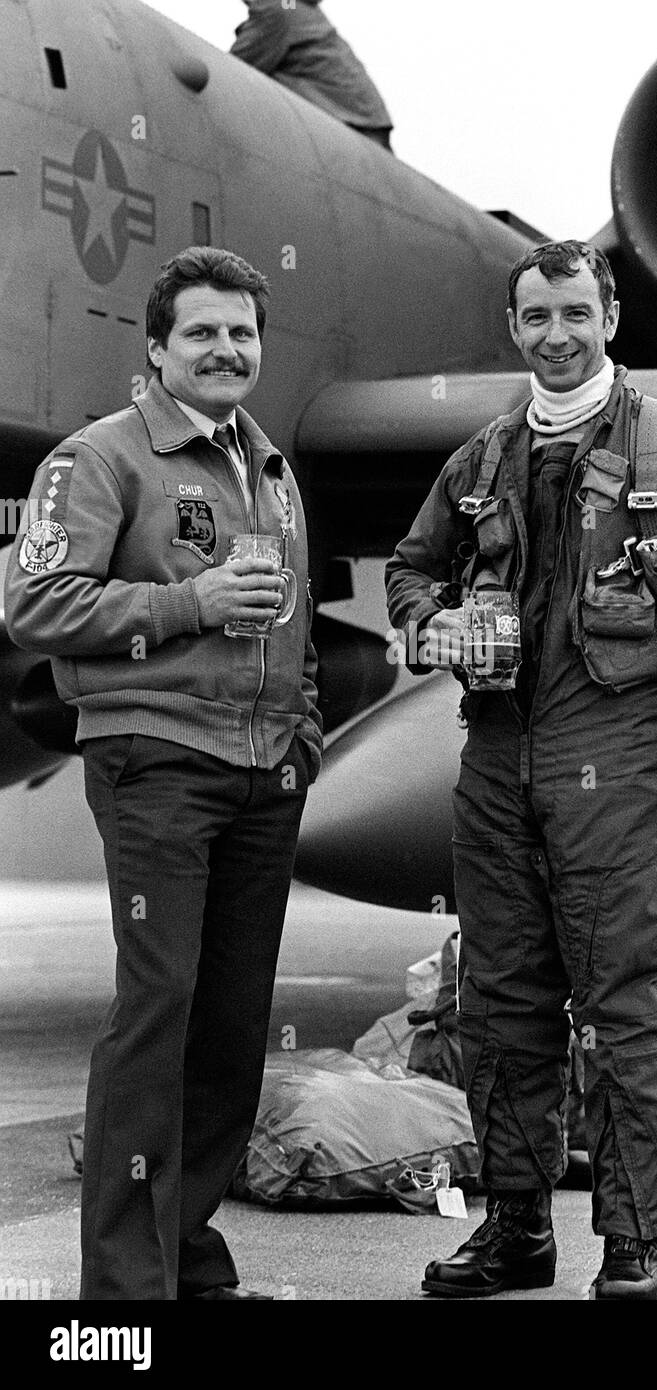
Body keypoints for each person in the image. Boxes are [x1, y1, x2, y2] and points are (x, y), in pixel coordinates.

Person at [385, 240, 657, 1300]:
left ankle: (633, 1243)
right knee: (500, 1000)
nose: (555, 335)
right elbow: (410, 565)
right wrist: (426, 625)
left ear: (609, 316)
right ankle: (516, 1227)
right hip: (497, 754)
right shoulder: (478, 460)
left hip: (615, 750)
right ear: (512, 328)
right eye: (534, 317)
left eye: (574, 312)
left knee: (623, 1007)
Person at [5, 246, 323, 1300]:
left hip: (261, 770)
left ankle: (185, 1254)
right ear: (155, 348)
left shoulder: (267, 466)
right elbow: (35, 609)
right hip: (157, 765)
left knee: (230, 1032)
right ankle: (125, 1293)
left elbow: (293, 626)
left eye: (242, 333)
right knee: (158, 1014)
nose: (225, 349)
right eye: (202, 332)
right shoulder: (96, 461)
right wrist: (188, 606)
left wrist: (304, 733)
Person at [231, 0, 394, 149]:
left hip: (351, 127)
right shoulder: (290, 4)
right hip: (362, 120)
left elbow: (234, 71)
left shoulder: (279, 8)